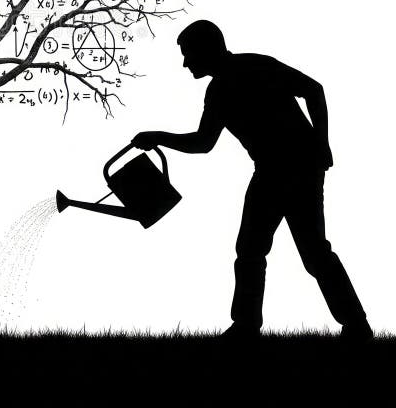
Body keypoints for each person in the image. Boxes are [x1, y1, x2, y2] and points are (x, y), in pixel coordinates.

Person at [131, 19, 373, 341]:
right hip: (278, 170)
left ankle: (346, 324)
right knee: (261, 250)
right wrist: (158, 137)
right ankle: (255, 326)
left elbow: (313, 90)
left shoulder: (249, 70)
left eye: (189, 54)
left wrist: (322, 143)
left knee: (291, 252)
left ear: (208, 49)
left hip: (293, 169)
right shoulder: (225, 86)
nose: (186, 62)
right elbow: (204, 142)